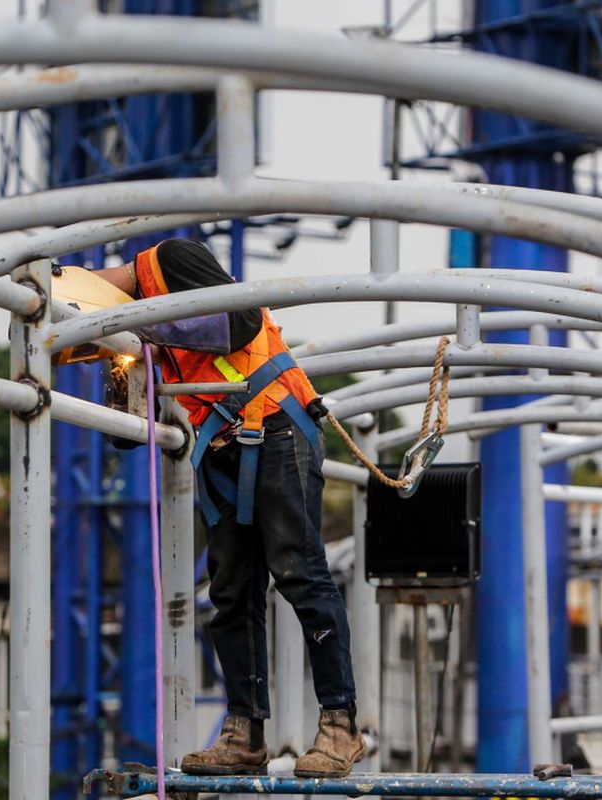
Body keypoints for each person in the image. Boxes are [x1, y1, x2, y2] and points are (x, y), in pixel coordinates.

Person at [95, 238, 365, 778]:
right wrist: (122, 363)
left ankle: (339, 727)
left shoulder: (170, 260)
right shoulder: (131, 333)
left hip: (276, 425)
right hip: (222, 447)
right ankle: (243, 732)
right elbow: (130, 429)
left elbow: (238, 320)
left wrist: (146, 326)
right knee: (231, 590)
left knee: (299, 572)